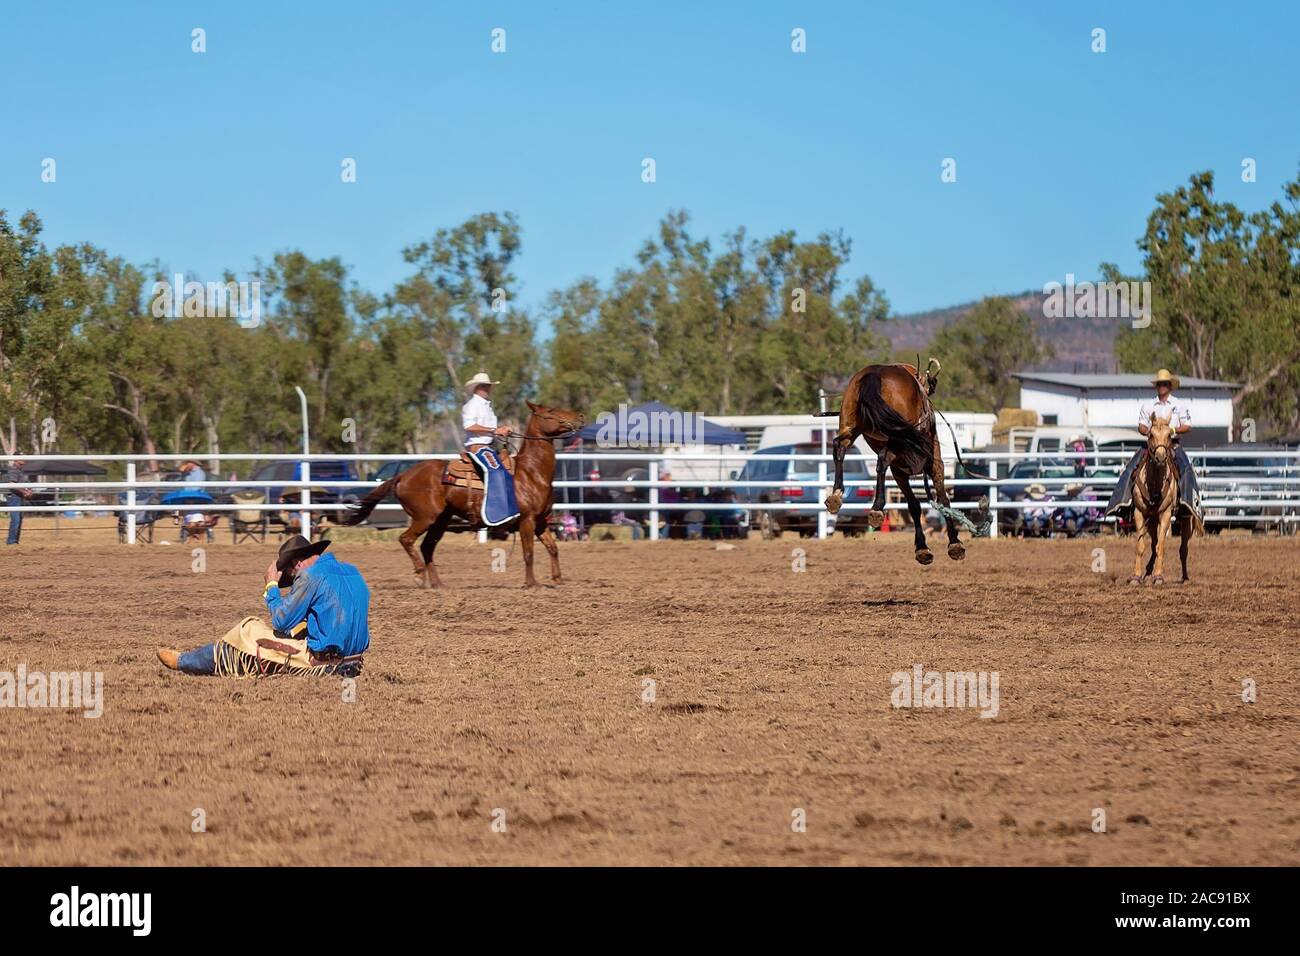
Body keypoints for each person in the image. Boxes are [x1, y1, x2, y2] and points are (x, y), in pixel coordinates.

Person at [156, 535, 370, 677]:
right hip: (355, 658)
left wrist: (272, 586)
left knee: (248, 632)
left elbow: (280, 620)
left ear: (296, 564)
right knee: (299, 628)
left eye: (290, 575)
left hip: (322, 662)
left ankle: (184, 661)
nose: (293, 578)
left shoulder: (309, 576)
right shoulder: (353, 570)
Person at [1105, 369, 1202, 526]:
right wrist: (1148, 431)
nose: (1162, 387)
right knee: (1130, 469)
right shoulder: (1149, 405)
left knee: (1187, 471)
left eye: (1165, 384)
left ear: (1170, 386)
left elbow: (1188, 426)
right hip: (1151, 445)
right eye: (1159, 384)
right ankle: (1124, 504)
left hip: (1173, 445)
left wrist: (1173, 430)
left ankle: (1187, 506)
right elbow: (1141, 426)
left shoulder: (1179, 405)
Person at [461, 371, 519, 525]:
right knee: (497, 471)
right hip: (477, 447)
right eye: (485, 386)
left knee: (508, 469)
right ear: (477, 388)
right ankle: (496, 514)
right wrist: (495, 430)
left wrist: (500, 430)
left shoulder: (486, 406)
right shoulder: (472, 405)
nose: (488, 389)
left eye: (488, 386)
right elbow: (469, 426)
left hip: (488, 446)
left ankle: (509, 509)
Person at [5, 458, 34, 545]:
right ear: (16, 459)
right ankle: (11, 541)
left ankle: (14, 541)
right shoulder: (14, 471)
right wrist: (25, 492)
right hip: (14, 497)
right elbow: (12, 484)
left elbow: (24, 484)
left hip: (19, 497)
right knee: (16, 520)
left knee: (19, 519)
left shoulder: (20, 471)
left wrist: (29, 491)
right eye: (21, 456)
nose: (24, 458)